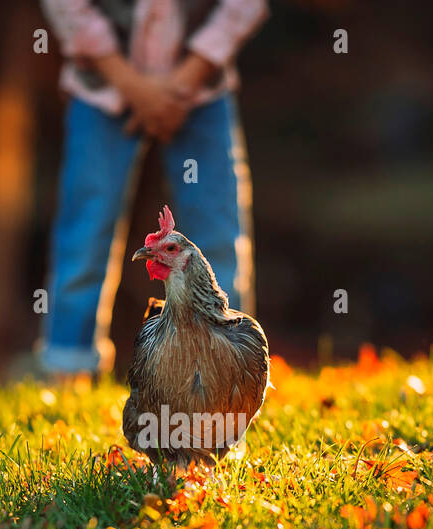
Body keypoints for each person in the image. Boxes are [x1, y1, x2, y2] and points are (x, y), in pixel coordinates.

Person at [37, 0, 267, 376]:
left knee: (217, 232)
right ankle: (67, 366)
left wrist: (184, 80)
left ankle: (232, 369)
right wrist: (134, 87)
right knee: (85, 230)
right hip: (104, 84)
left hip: (201, 86)